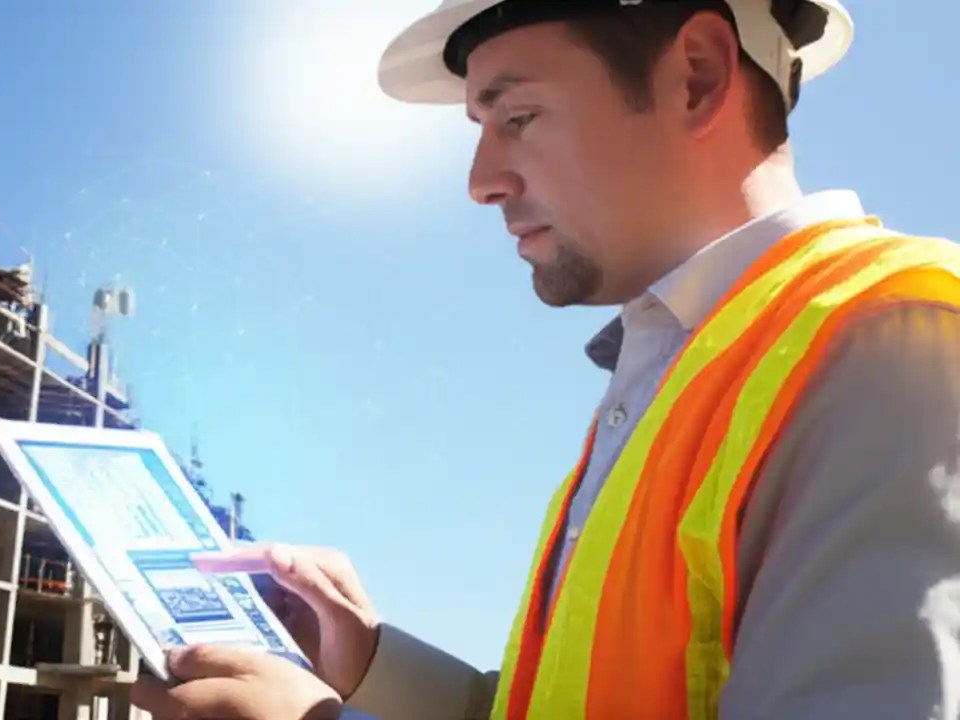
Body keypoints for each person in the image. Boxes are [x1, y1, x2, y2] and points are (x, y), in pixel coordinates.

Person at [132, 0, 960, 717]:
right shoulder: (691, 369)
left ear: (697, 76)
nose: (480, 180)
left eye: (517, 118)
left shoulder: (888, 344)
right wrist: (370, 665)